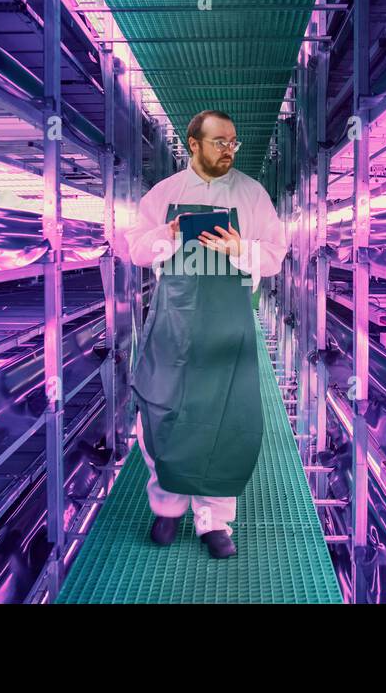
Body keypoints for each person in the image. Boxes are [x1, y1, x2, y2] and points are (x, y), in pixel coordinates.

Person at [123, 110, 287, 558]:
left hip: (226, 325)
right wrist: (168, 235)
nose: (228, 150)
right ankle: (168, 507)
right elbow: (134, 247)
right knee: (162, 413)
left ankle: (214, 521)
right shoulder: (165, 195)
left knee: (224, 419)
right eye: (218, 142)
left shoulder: (252, 195)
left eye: (232, 142)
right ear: (193, 143)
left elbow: (275, 253)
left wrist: (242, 249)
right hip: (173, 324)